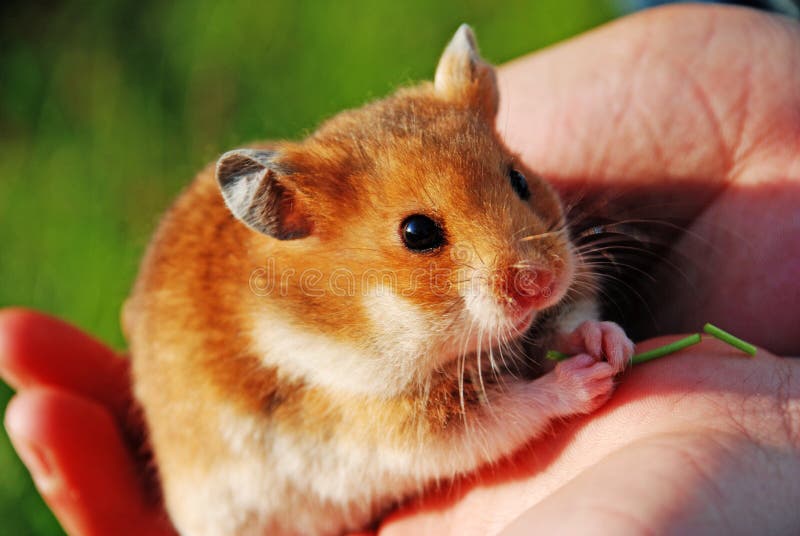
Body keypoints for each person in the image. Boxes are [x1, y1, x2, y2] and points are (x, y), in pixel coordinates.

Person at [1, 3, 799, 534]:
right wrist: (546, 399)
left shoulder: (519, 220)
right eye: (423, 233)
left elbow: (561, 300)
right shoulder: (328, 332)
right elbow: (407, 437)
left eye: (516, 185)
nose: (527, 266)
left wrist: (587, 332)